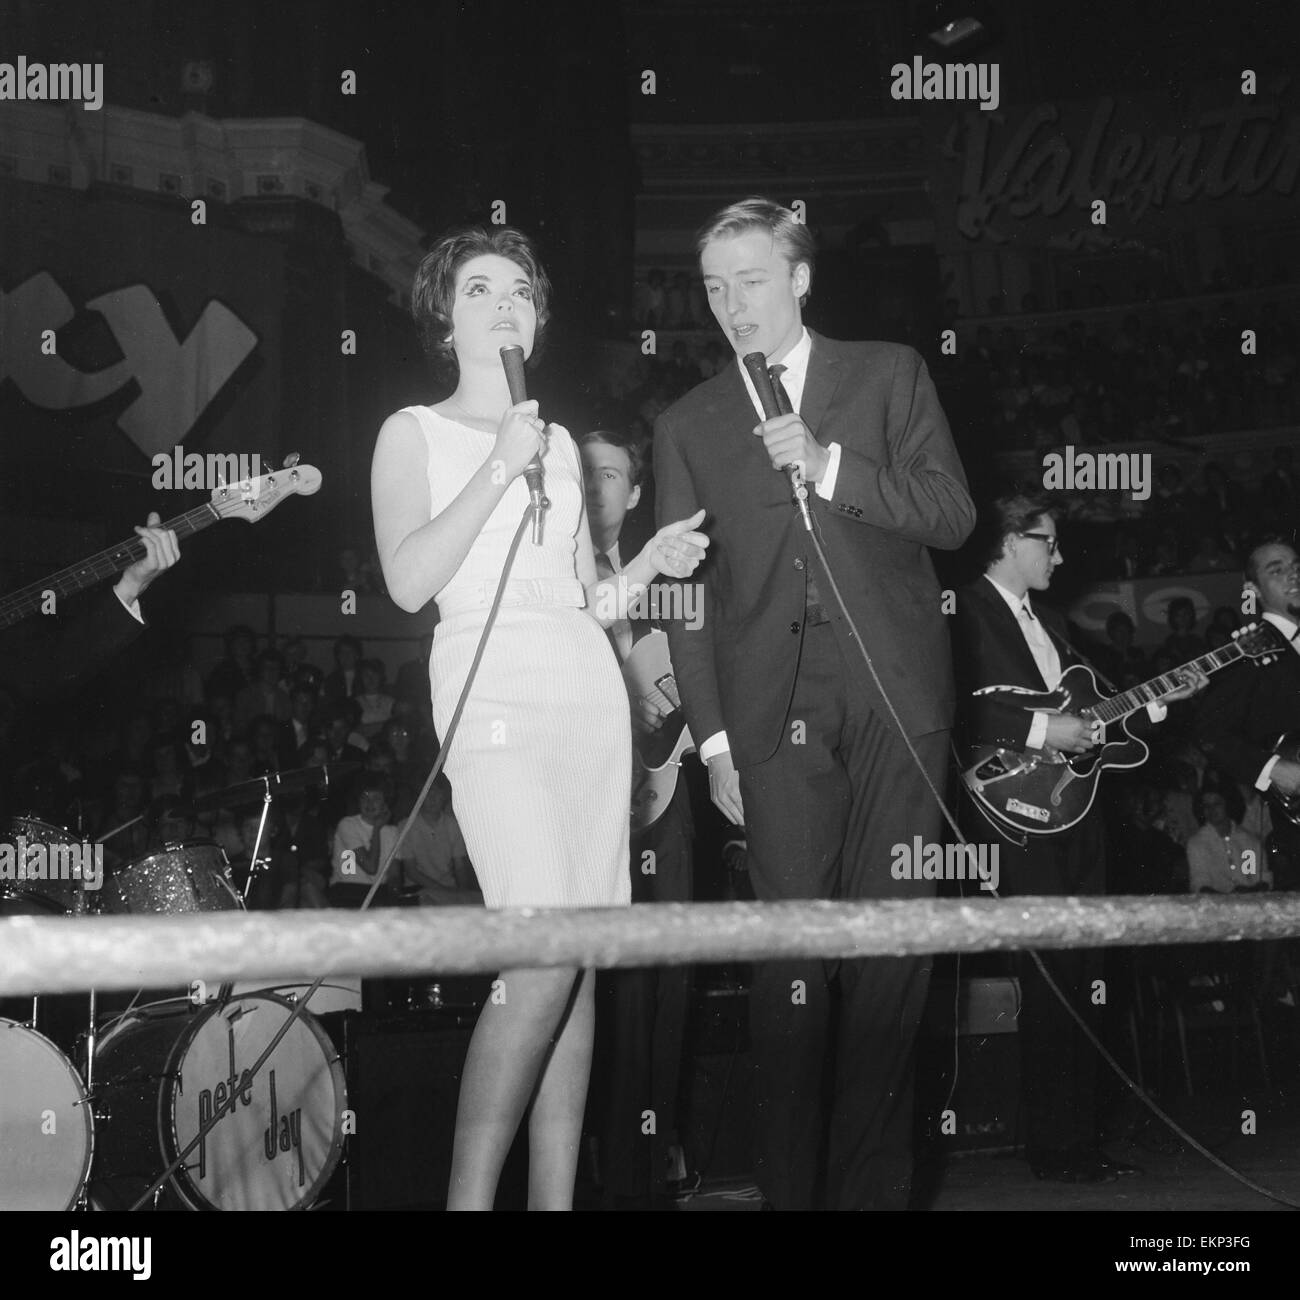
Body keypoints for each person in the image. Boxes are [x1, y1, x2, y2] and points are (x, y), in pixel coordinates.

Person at [370, 224, 708, 1211]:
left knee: (583, 963)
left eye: (519, 289)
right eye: (480, 288)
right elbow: (406, 581)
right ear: (444, 314)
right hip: (494, 700)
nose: (504, 303)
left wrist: (643, 568)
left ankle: (555, 1202)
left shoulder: (560, 442)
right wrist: (491, 467)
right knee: (541, 952)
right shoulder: (411, 432)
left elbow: (578, 598)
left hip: (584, 699)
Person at [653, 196, 975, 1211]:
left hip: (895, 698)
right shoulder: (687, 422)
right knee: (790, 969)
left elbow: (953, 513)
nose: (730, 304)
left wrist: (832, 467)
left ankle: (872, 1196)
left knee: (890, 963)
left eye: (749, 279)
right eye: (713, 288)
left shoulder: (888, 374)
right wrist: (711, 744)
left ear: (798, 279)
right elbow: (685, 599)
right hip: (769, 717)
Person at [953, 491, 1205, 1183]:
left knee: (1085, 974)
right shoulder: (958, 609)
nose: (1060, 556)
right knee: (1051, 980)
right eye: (1048, 542)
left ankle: (1074, 1143)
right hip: (1015, 816)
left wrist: (1158, 701)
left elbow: (1096, 722)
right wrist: (1040, 730)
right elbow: (947, 702)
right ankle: (1055, 1146)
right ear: (1007, 542)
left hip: (1078, 815)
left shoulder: (1056, 625)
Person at [579, 428, 695, 1208]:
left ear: (636, 492)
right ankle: (605, 1170)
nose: (595, 488)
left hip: (668, 792)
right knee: (605, 985)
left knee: (671, 980)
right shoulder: (551, 566)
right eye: (583, 474)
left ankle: (655, 1157)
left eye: (611, 474)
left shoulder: (670, 578)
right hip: (588, 795)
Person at [1195, 537, 1300, 879]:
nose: (1293, 575)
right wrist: (1273, 769)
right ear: (1253, 589)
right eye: (1277, 570)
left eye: (1296, 566)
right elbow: (1208, 732)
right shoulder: (1246, 650)